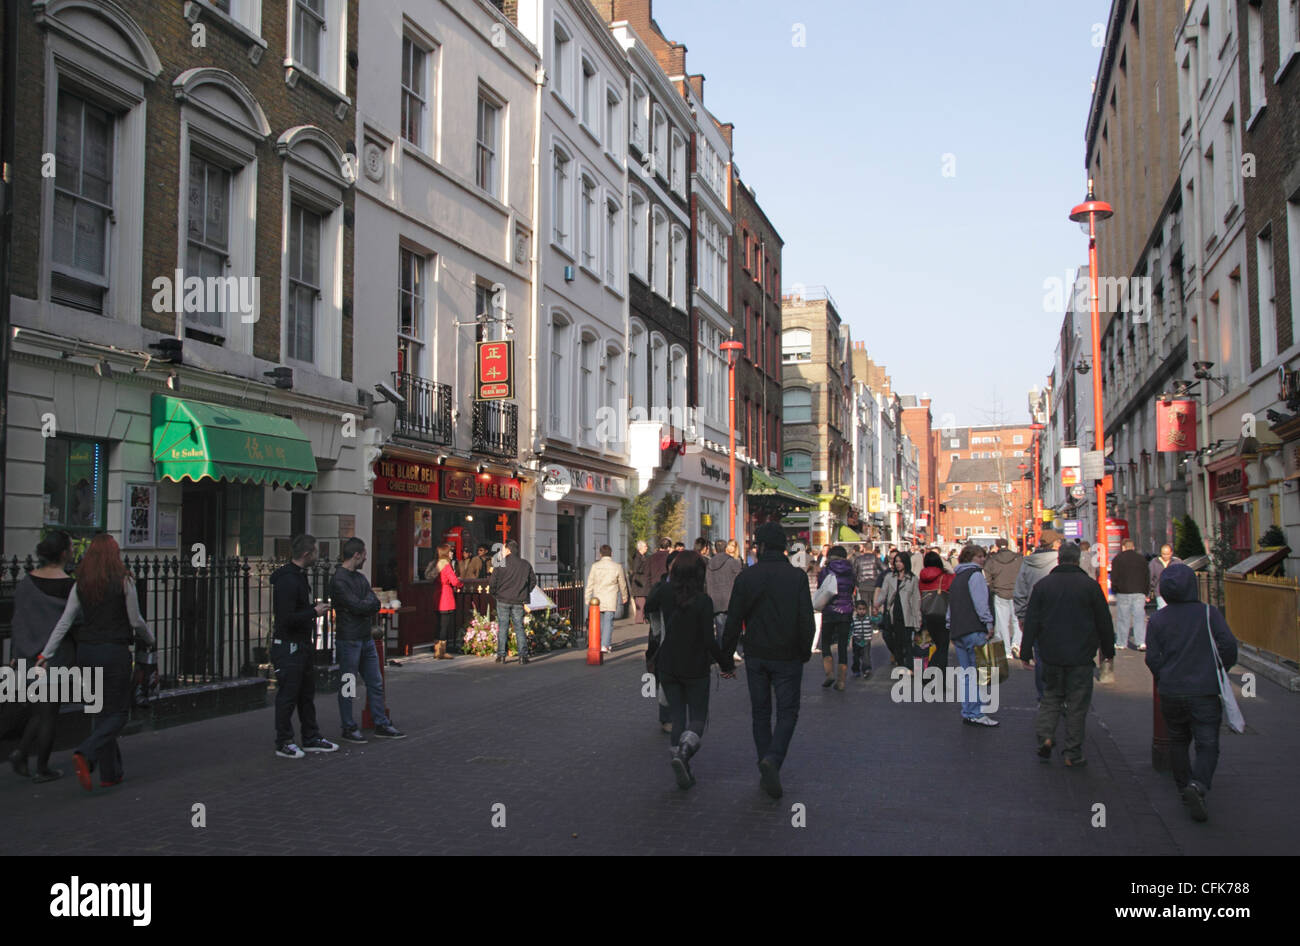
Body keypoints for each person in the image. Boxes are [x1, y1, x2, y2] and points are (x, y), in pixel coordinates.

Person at [37, 533, 156, 787]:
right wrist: (151, 638)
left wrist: (45, 654)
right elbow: (135, 621)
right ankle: (86, 751)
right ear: (114, 555)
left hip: (87, 653)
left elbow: (65, 622)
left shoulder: (81, 584)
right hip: (114, 652)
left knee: (99, 712)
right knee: (119, 713)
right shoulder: (124, 581)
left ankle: (110, 774)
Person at [721, 521, 815, 800]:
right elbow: (806, 621)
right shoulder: (796, 578)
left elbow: (733, 621)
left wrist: (726, 658)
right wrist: (804, 651)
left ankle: (766, 761)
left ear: (760, 547)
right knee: (788, 712)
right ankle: (773, 759)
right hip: (788, 656)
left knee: (760, 713)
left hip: (757, 655)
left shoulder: (747, 578)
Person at [1145, 563, 1238, 823]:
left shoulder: (1158, 619)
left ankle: (1184, 786)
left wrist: (1164, 675)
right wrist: (1220, 668)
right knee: (1208, 743)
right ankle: (1197, 785)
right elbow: (1229, 645)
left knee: (1178, 741)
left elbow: (1152, 657)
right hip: (1204, 690)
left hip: (1172, 690)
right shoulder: (1209, 614)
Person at [644, 551, 735, 790]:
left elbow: (650, 606)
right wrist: (726, 664)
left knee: (677, 716)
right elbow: (708, 639)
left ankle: (679, 761)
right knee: (697, 717)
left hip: (668, 664)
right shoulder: (704, 601)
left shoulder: (664, 591)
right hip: (695, 666)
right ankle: (684, 754)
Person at [1020, 542, 1114, 766]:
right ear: (1078, 559)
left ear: (1059, 559)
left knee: (1051, 697)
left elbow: (1031, 620)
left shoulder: (1043, 586)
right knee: (1077, 704)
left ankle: (1045, 737)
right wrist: (1107, 652)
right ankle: (1072, 752)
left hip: (1051, 653)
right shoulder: (1090, 587)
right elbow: (1104, 622)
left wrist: (1025, 652)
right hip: (1081, 655)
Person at [6, 531, 78, 781]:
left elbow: (18, 621)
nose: (72, 551)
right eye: (70, 547)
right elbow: (74, 622)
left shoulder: (26, 583)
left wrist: (15, 653)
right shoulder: (70, 586)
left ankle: (22, 754)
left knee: (39, 711)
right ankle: (42, 768)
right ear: (63, 553)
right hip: (54, 657)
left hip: (27, 655)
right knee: (49, 715)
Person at [264, 535, 336, 758]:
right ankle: (284, 741)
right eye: (315, 552)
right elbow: (285, 618)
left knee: (306, 693)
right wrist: (313, 612)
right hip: (288, 646)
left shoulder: (298, 577)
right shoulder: (288, 580)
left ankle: (311, 737)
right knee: (287, 695)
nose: (317, 556)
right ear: (306, 554)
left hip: (302, 644)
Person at [331, 538, 404, 742]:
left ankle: (380, 722)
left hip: (365, 637)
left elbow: (372, 601)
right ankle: (348, 726)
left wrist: (365, 604)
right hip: (349, 638)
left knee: (376, 681)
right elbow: (357, 605)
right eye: (363, 554)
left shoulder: (360, 579)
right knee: (349, 684)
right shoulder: (339, 579)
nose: (365, 558)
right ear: (356, 555)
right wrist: (365, 604)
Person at [947, 543, 998, 727]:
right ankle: (976, 712)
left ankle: (968, 711)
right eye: (979, 556)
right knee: (979, 674)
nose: (983, 559)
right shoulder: (975, 575)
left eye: (983, 556)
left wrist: (949, 625)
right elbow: (981, 603)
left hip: (958, 630)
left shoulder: (957, 577)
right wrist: (989, 623)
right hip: (974, 629)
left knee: (967, 675)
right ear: (971, 558)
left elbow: (950, 606)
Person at [1014, 529, 1063, 700]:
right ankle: (1059, 694)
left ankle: (1044, 696)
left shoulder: (1028, 562)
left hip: (1034, 616)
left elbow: (1020, 591)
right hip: (1058, 615)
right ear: (1056, 544)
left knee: (1040, 657)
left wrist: (1021, 616)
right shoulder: (1059, 561)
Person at [816, 546, 856, 691]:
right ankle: (841, 681)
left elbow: (821, 587)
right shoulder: (850, 570)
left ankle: (829, 673)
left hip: (829, 610)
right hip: (846, 611)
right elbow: (852, 588)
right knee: (842, 645)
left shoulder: (826, 570)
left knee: (826, 642)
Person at [490, 540, 537, 664]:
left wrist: (495, 593)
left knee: (503, 627)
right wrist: (524, 592)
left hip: (503, 598)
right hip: (518, 599)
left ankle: (501, 656)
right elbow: (533, 581)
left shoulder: (501, 563)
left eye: (504, 549)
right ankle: (523, 656)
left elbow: (493, 582)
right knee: (519, 627)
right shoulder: (525, 564)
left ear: (508, 550)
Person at [917, 550, 955, 691]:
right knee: (943, 648)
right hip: (943, 614)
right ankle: (937, 679)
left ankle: (930, 674)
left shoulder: (922, 578)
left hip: (928, 615)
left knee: (938, 646)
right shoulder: (945, 577)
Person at [983, 537, 1024, 660]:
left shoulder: (992, 560)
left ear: (996, 546)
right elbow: (1023, 575)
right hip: (1016, 593)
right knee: (1017, 620)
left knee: (1003, 623)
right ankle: (1016, 643)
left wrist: (992, 589)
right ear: (1007, 545)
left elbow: (987, 577)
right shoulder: (1019, 558)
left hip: (999, 593)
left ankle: (1006, 650)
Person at [585, 545, 630, 654]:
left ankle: (598, 642)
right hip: (611, 597)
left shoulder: (595, 566)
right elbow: (622, 584)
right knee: (608, 622)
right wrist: (625, 596)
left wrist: (587, 598)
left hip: (597, 598)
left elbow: (590, 583)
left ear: (600, 554)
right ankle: (605, 645)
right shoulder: (617, 566)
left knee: (599, 621)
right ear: (611, 554)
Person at [880, 552, 921, 672]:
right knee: (896, 641)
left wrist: (917, 616)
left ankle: (909, 667)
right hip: (894, 613)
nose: (897, 564)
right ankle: (901, 663)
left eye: (900, 561)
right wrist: (877, 605)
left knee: (907, 641)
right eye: (896, 561)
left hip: (907, 614)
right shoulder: (889, 577)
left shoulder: (912, 579)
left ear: (906, 563)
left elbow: (916, 599)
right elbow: (883, 593)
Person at [423, 543, 463, 660]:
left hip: (436, 595)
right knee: (444, 625)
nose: (452, 553)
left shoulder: (436, 564)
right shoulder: (446, 565)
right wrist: (460, 584)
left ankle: (437, 650)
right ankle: (442, 651)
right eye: (450, 551)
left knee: (438, 624)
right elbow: (454, 581)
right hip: (445, 596)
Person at [1111, 538, 1150, 651]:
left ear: (1123, 547)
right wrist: (1146, 592)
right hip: (1139, 592)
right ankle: (1141, 642)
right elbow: (1146, 576)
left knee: (1123, 618)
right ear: (1133, 547)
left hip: (1123, 592)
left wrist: (1115, 589)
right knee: (1139, 617)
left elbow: (1114, 577)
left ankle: (1122, 642)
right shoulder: (1141, 559)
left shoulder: (1117, 559)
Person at [706, 539, 744, 652]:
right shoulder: (732, 562)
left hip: (715, 600)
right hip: (731, 599)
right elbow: (740, 581)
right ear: (726, 547)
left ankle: (720, 652)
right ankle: (730, 653)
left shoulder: (710, 563)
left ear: (715, 549)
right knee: (732, 629)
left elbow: (707, 581)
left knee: (720, 629)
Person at [850, 599, 874, 679]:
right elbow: (850, 630)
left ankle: (866, 669)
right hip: (856, 641)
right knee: (856, 657)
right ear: (856, 610)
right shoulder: (853, 619)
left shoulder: (869, 619)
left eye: (863, 609)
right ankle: (856, 670)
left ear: (866, 610)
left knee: (866, 656)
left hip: (866, 641)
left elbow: (877, 620)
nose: (861, 611)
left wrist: (878, 615)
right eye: (860, 609)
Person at [630, 540, 650, 624]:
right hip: (639, 583)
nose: (647, 548)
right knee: (640, 601)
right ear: (640, 548)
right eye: (645, 546)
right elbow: (636, 569)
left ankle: (642, 618)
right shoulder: (637, 557)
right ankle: (639, 619)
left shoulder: (642, 556)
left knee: (642, 601)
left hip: (641, 583)